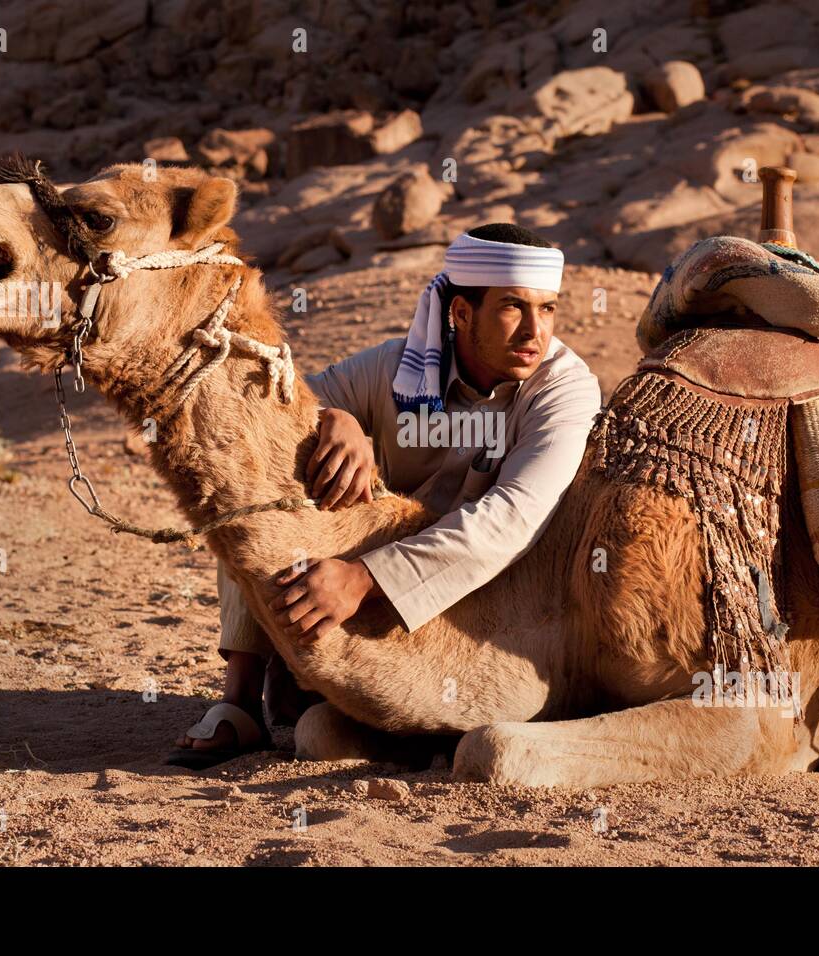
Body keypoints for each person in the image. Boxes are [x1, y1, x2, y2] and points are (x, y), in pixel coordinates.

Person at [168, 223, 602, 767]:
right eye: (513, 307)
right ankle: (239, 700)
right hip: (372, 574)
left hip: (489, 589)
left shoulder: (565, 390)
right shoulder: (399, 365)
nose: (534, 331)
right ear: (461, 314)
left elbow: (513, 517)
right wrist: (336, 418)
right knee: (262, 488)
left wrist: (365, 578)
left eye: (548, 309)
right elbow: (284, 407)